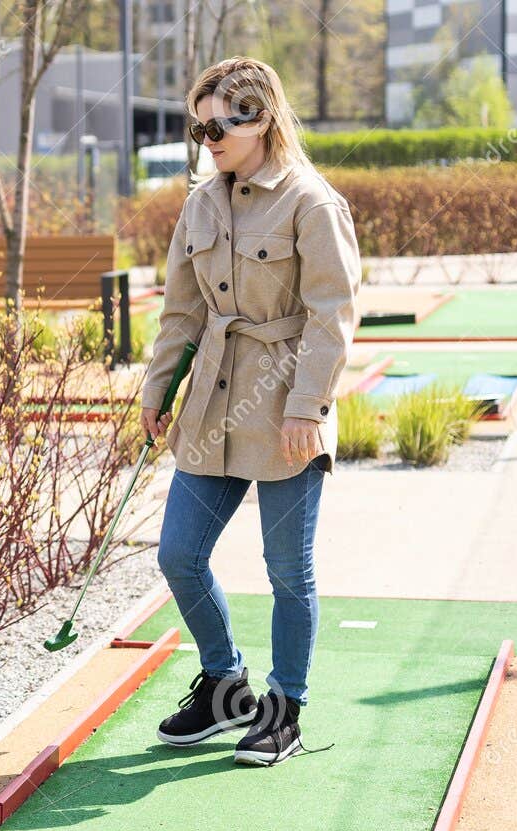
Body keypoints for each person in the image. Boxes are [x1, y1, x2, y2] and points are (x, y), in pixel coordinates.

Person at [141, 58, 360, 765]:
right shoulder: (200, 203)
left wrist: (308, 408)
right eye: (197, 125)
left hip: (287, 402)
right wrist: (157, 389)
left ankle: (284, 708)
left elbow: (333, 315)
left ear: (261, 118)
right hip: (212, 401)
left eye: (218, 124)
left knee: (287, 569)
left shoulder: (311, 202)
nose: (206, 137)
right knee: (178, 553)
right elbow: (182, 309)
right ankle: (223, 681)